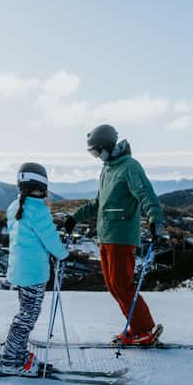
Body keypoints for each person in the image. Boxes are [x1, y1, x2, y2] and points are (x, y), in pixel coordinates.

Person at [63, 124, 165, 346]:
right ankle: (138, 327)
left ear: (107, 146)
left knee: (122, 284)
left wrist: (155, 219)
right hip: (106, 235)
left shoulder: (129, 167)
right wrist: (75, 217)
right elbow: (99, 202)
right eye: (93, 153)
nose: (97, 157)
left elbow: (146, 194)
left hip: (122, 235)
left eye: (97, 151)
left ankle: (144, 330)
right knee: (112, 286)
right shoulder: (107, 169)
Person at [0, 163, 68, 376]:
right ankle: (9, 359)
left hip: (19, 271)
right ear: (42, 185)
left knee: (25, 312)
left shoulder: (15, 206)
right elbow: (50, 239)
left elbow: (27, 232)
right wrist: (63, 254)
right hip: (34, 273)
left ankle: (16, 353)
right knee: (27, 316)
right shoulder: (39, 210)